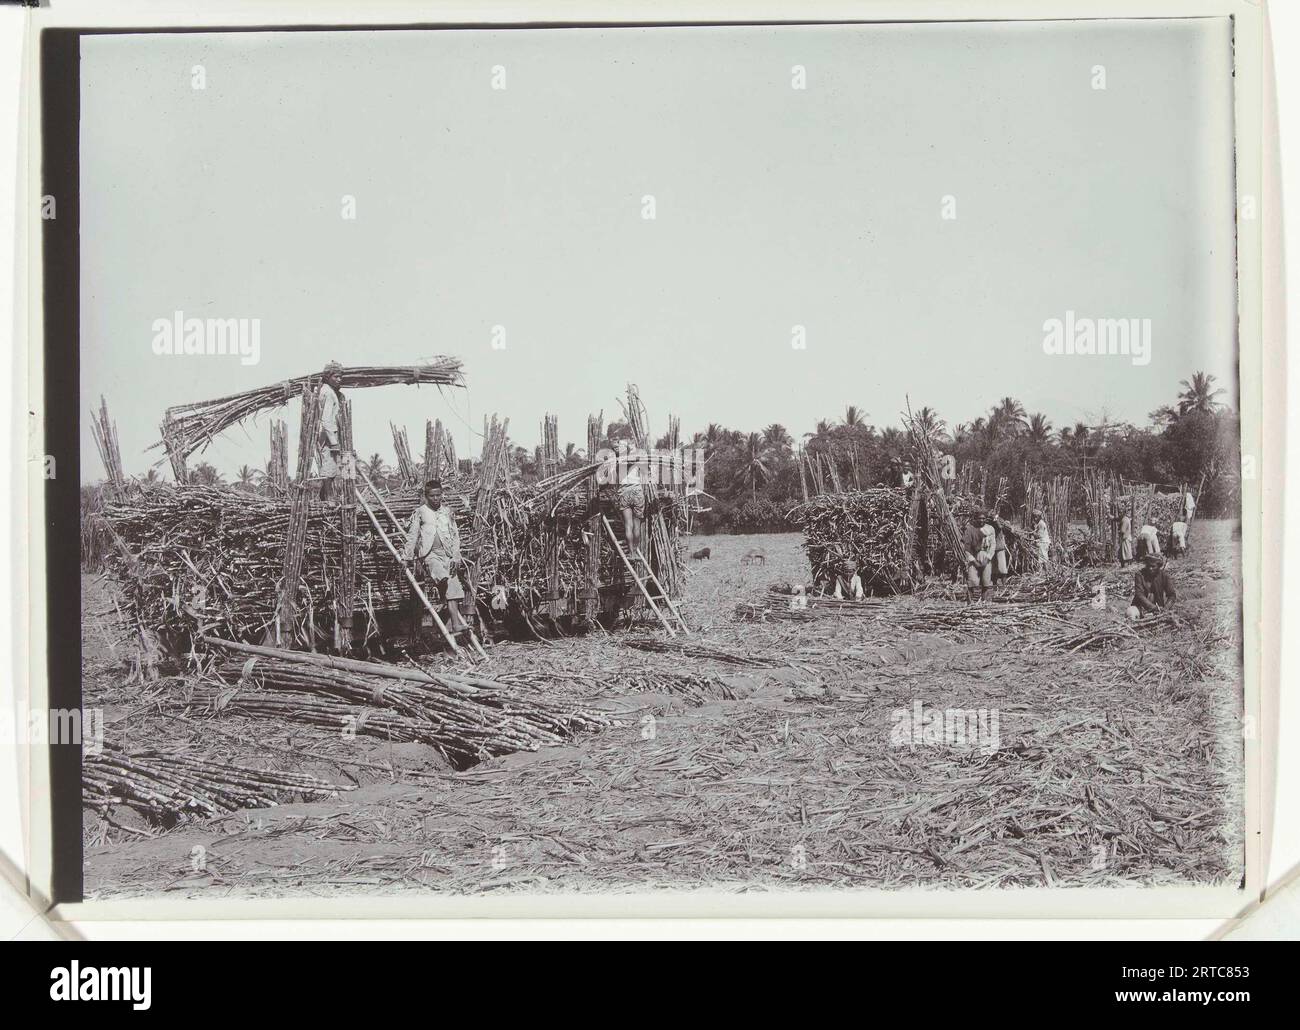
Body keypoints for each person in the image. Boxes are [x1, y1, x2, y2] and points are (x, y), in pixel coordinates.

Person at [402, 478, 470, 640]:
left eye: (438, 495)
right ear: (426, 496)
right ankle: (448, 618)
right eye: (432, 496)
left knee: (453, 587)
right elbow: (412, 536)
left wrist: (455, 556)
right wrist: (407, 556)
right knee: (443, 577)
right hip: (430, 555)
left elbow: (455, 536)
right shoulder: (420, 512)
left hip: (446, 554)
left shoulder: (447, 512)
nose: (436, 499)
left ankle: (455, 624)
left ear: (442, 495)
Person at [317, 361, 344, 501]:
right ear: (328, 377)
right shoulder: (327, 392)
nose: (339, 379)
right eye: (336, 377)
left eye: (340, 377)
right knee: (329, 467)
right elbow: (325, 419)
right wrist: (333, 442)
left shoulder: (328, 391)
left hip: (329, 434)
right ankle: (328, 499)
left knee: (331, 467)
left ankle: (327, 498)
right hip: (328, 436)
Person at [1128, 554, 1176, 620]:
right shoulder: (1140, 575)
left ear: (1159, 566)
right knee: (1130, 613)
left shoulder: (1164, 576)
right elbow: (1139, 594)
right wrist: (1153, 608)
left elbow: (1172, 595)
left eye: (1153, 566)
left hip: (1158, 608)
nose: (1150, 568)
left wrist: (1165, 608)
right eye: (1148, 566)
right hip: (1140, 607)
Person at [618, 462, 647, 556]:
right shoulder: (637, 462)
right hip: (637, 492)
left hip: (624, 493)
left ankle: (631, 553)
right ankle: (635, 550)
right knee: (637, 525)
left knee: (628, 525)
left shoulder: (618, 463)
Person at [962, 515, 992, 601]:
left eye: (983, 518)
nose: (981, 520)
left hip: (986, 556)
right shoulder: (970, 529)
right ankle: (970, 602)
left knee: (986, 580)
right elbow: (966, 547)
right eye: (979, 518)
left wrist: (987, 558)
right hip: (973, 556)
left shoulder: (990, 529)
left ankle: (984, 601)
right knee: (972, 580)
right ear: (975, 519)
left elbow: (992, 545)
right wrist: (973, 560)